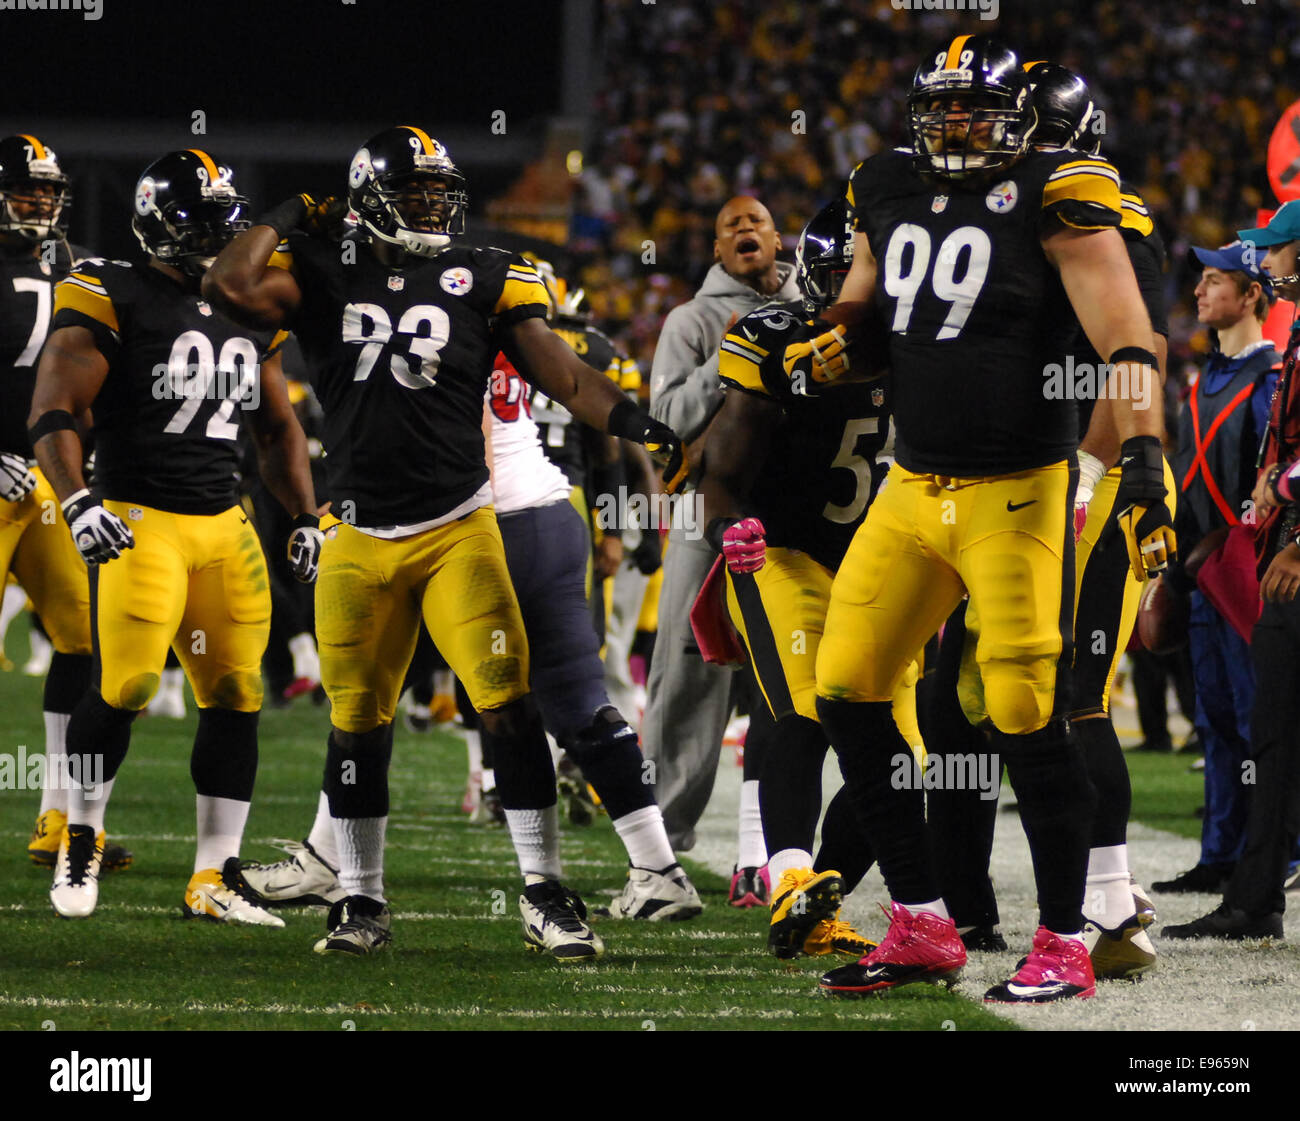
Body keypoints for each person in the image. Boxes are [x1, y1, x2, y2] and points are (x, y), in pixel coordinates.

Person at [203, 126, 685, 959]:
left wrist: (638, 421)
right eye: (415, 194)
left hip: (459, 528)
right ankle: (360, 898)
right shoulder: (320, 268)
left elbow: (564, 374)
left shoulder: (485, 273)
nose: (433, 208)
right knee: (357, 726)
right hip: (358, 535)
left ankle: (545, 892)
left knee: (509, 705)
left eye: (439, 193)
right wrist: (291, 210)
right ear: (368, 200)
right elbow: (227, 281)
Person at [802, 35, 1173, 1003]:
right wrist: (823, 346)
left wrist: (1142, 451)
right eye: (943, 108)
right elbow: (863, 314)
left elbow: (1126, 333)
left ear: (1018, 118)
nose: (957, 125)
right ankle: (922, 920)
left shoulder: (1061, 188)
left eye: (976, 108)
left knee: (1025, 710)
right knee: (845, 687)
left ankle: (1065, 939)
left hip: (1019, 487)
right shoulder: (883, 183)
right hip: (911, 484)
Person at [29, 149, 321, 924]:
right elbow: (54, 409)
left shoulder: (249, 306)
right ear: (158, 226)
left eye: (227, 226)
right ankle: (80, 833)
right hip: (139, 520)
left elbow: (277, 427)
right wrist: (79, 500)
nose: (220, 243)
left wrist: (304, 514)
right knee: (123, 687)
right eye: (202, 226)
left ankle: (214, 875)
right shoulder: (109, 287)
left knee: (237, 695)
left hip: (225, 524)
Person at [931, 61, 1172, 980]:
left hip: (1097, 477)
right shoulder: (995, 213)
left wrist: (1091, 469)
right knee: (987, 693)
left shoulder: (1100, 210)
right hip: (1025, 476)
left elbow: (1134, 352)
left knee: (1076, 696)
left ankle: (1111, 906)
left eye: (1018, 131)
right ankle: (1025, 900)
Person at [699, 198, 893, 961]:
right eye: (846, 274)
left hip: (877, 564)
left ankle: (816, 900)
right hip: (781, 553)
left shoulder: (921, 345)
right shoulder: (773, 336)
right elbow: (721, 469)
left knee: (905, 759)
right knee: (804, 709)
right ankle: (787, 879)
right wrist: (726, 526)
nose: (861, 290)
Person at [642, 194, 800, 902]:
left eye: (755, 221)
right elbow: (666, 420)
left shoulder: (812, 306)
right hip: (707, 514)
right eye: (730, 225)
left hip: (792, 511)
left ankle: (763, 856)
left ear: (777, 239)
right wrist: (732, 353)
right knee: (686, 676)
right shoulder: (691, 320)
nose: (743, 230)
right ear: (716, 248)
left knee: (783, 682)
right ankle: (658, 852)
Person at [1166, 202, 1300, 939]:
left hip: (1265, 562)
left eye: (1276, 251)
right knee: (1235, 723)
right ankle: (1237, 874)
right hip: (1225, 567)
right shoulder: (1221, 368)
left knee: (1266, 723)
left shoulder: (1271, 364)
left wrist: (1279, 510)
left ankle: (1258, 880)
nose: (1269, 264)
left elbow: (1278, 467)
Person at [0, 134, 131, 875]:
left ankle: (57, 816)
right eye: (26, 191)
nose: (39, 204)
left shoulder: (71, 266)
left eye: (47, 193)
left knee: (84, 639)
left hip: (48, 480)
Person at [1154, 242, 1279, 896]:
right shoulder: (1205, 376)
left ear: (1252, 293)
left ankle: (1276, 851)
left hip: (1249, 570)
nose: (1199, 292)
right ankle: (1221, 851)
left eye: (1214, 281)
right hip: (1203, 572)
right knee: (1215, 717)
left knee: (1261, 717)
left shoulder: (1271, 377)